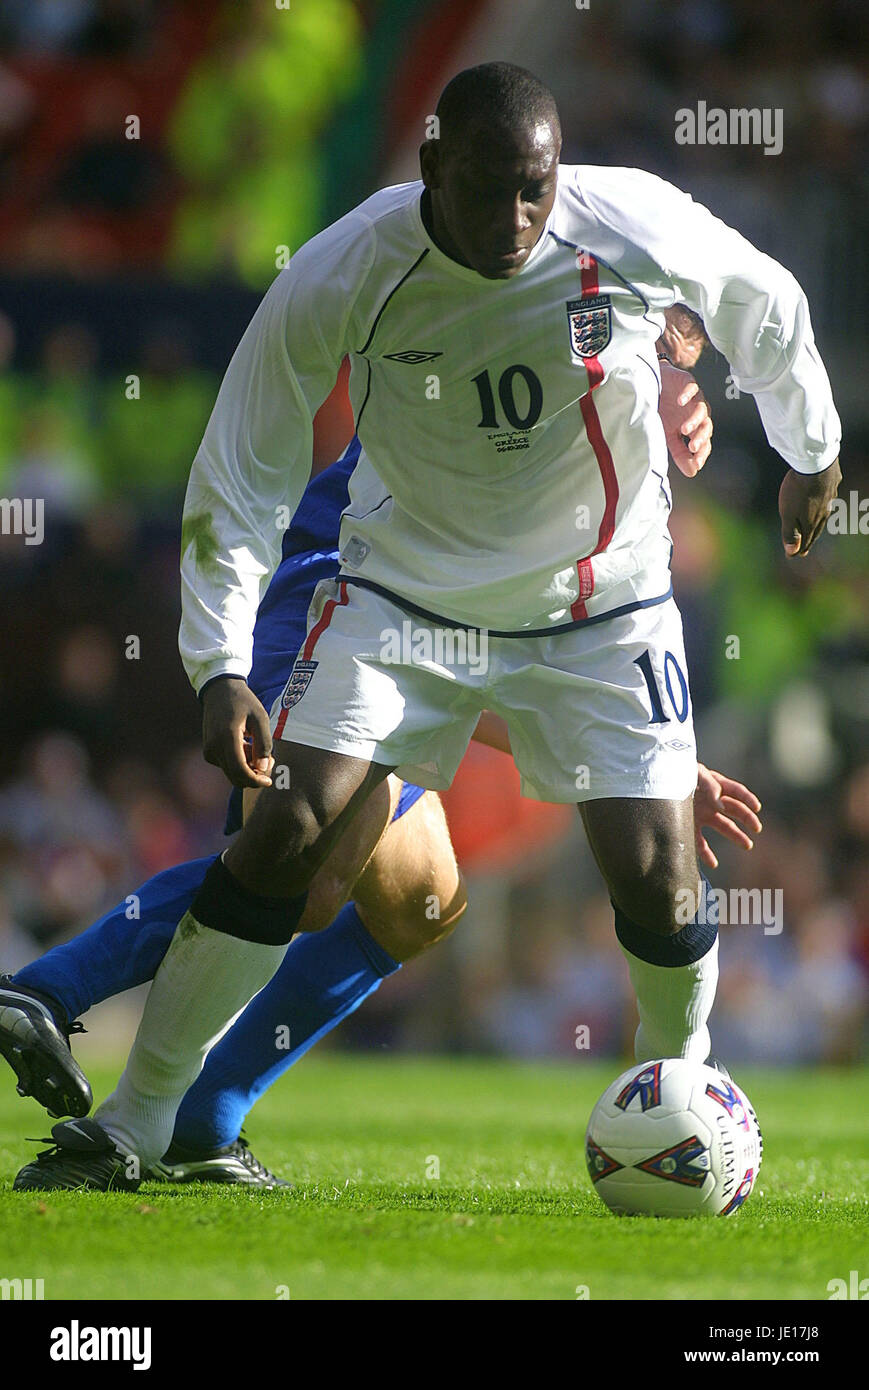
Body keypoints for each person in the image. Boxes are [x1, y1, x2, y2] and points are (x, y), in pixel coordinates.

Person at [11, 62, 840, 1190]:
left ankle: (674, 1098)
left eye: (534, 191)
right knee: (293, 835)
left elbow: (764, 302)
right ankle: (136, 1118)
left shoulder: (628, 221)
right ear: (430, 168)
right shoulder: (348, 265)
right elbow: (244, 462)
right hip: (400, 593)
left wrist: (813, 449)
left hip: (602, 603)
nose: (513, 219)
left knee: (644, 871)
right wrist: (214, 663)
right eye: (488, 188)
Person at [5, 378, 762, 1189]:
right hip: (347, 588)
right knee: (306, 868)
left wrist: (643, 761)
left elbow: (491, 662)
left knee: (419, 897)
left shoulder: (589, 474)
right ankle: (48, 993)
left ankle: (202, 1118)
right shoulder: (544, 359)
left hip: (424, 616)